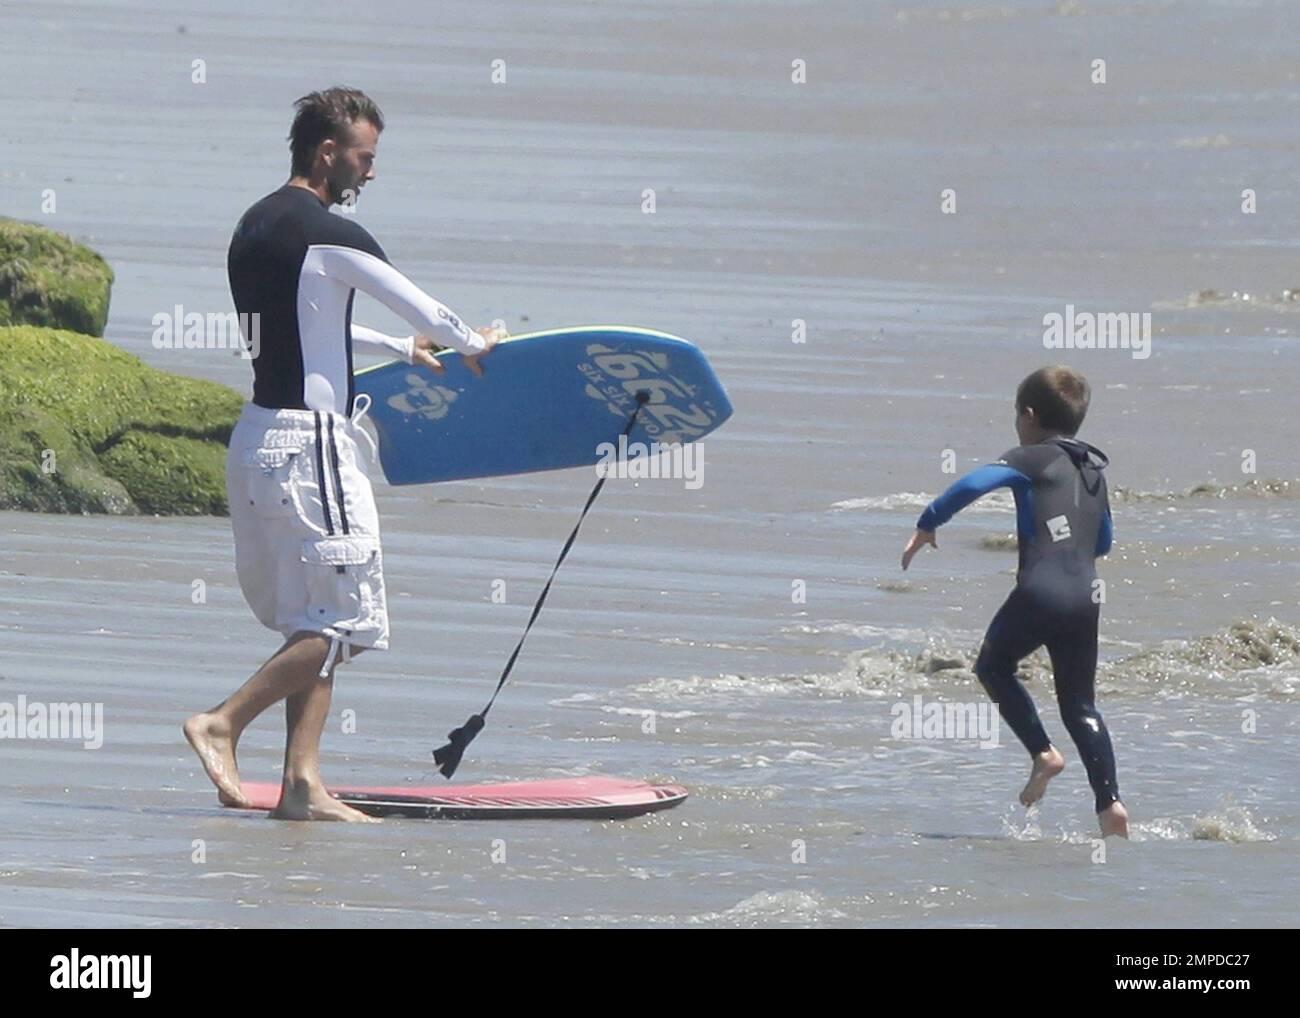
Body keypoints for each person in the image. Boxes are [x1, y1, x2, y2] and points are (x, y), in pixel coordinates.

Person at [184, 86, 501, 821]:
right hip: (312, 449)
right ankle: (221, 722)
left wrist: (397, 351)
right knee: (347, 622)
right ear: (329, 152)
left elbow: (300, 330)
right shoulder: (332, 233)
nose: (371, 172)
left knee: (316, 620)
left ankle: (302, 785)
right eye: (366, 156)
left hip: (260, 438)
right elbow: (425, 306)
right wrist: (474, 344)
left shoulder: (255, 224)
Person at [902, 365, 1128, 838]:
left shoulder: (1028, 458)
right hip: (1086, 596)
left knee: (992, 666)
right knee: (1080, 706)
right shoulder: (1093, 471)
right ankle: (1111, 807)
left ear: (1027, 415)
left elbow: (972, 485)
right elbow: (1103, 540)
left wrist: (928, 522)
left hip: (1040, 590)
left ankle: (1043, 754)